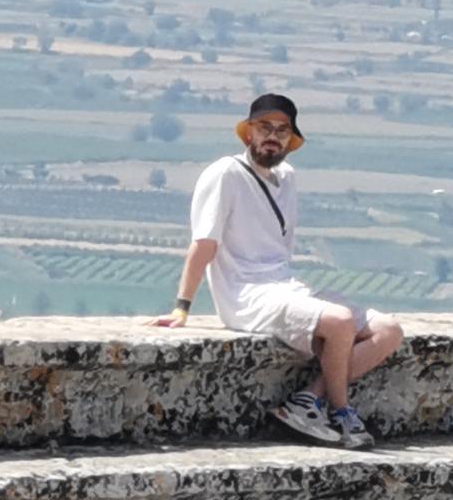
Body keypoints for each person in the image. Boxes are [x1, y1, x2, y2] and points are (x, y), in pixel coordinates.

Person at [155, 92, 404, 449]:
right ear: (248, 134)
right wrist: (182, 307)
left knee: (389, 330)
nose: (272, 136)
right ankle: (342, 410)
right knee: (339, 321)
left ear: (291, 139)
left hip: (285, 286)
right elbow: (205, 244)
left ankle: (308, 400)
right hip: (247, 294)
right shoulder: (225, 173)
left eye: (282, 130)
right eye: (264, 128)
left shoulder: (286, 178)